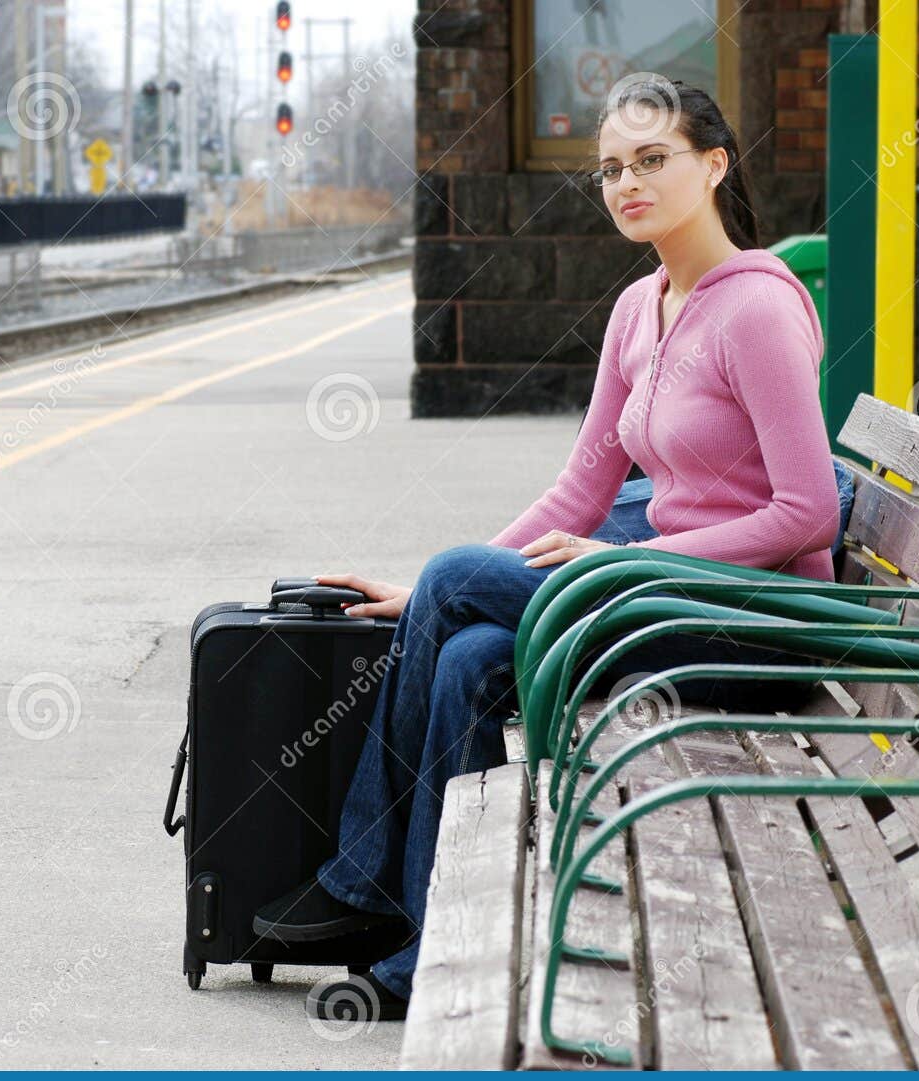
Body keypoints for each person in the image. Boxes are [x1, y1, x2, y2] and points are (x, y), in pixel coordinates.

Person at [252, 78, 852, 1022]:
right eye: (612, 168)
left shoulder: (759, 311)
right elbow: (581, 491)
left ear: (715, 164)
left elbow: (809, 512)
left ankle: (355, 883)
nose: (628, 184)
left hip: (754, 624)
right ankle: (419, 947)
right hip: (657, 607)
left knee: (454, 588)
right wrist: (436, 596)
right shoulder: (637, 311)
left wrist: (624, 565)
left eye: (653, 160)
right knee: (468, 655)